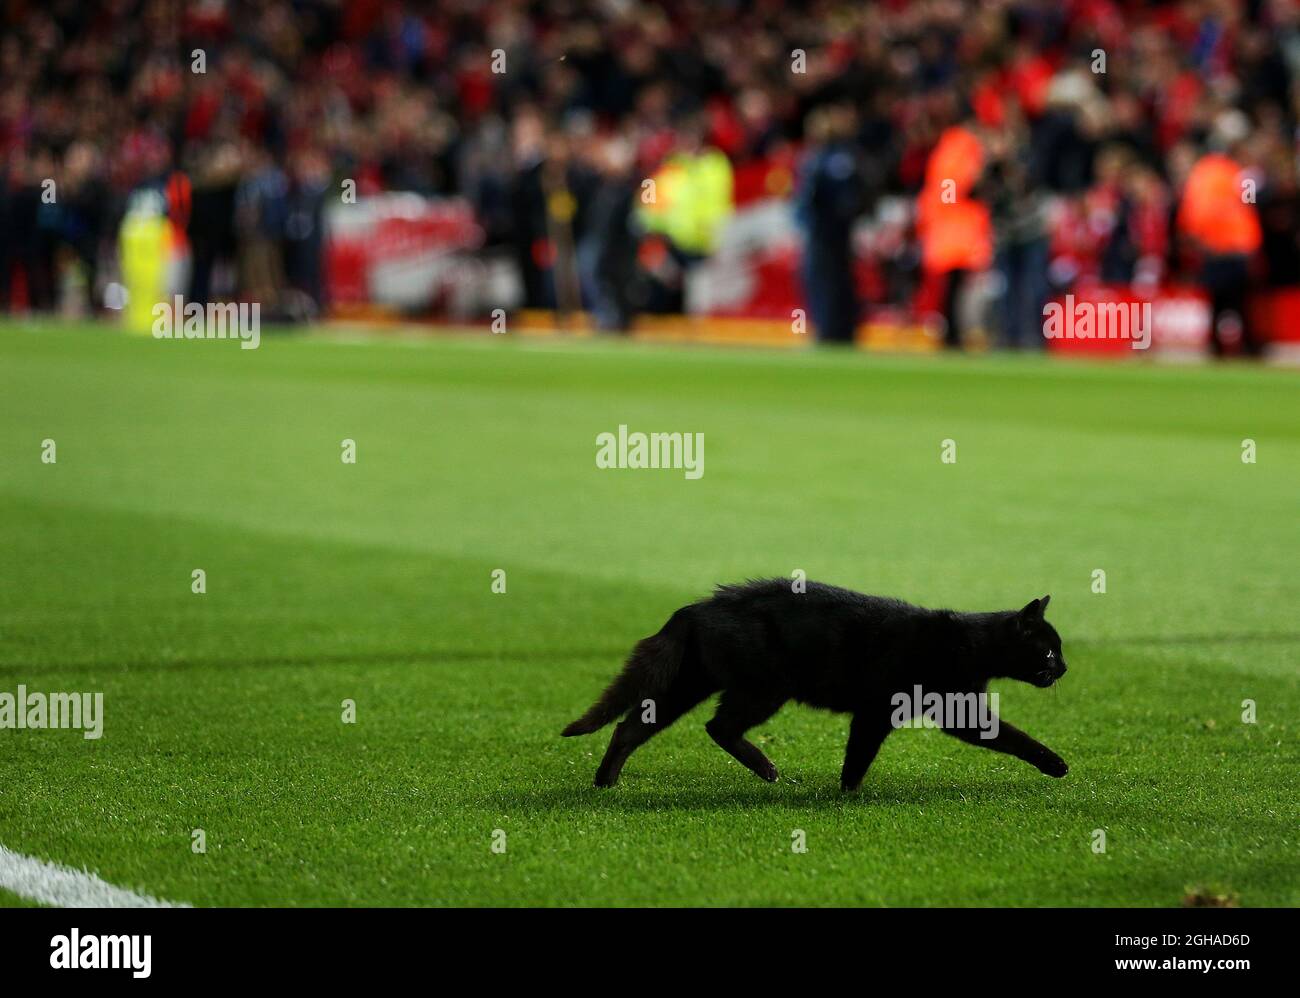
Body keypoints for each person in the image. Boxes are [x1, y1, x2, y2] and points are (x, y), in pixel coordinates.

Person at [795, 105, 865, 344]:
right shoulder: (825, 157)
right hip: (824, 230)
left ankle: (831, 331)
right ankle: (832, 330)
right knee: (827, 280)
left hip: (828, 231)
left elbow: (841, 199)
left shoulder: (834, 158)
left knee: (828, 280)